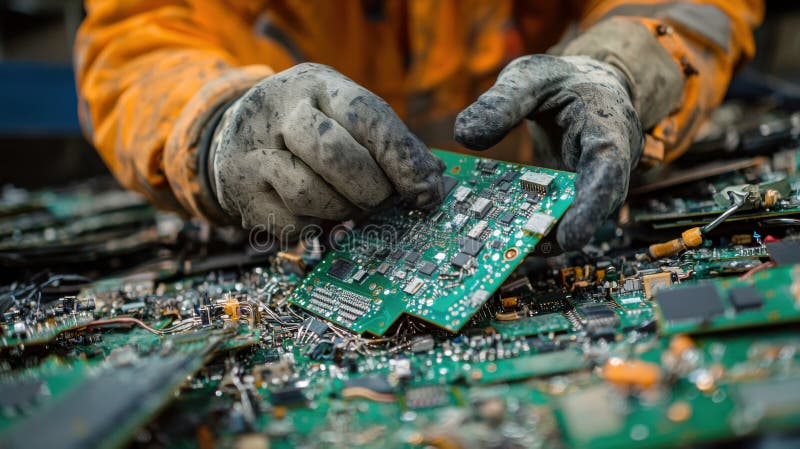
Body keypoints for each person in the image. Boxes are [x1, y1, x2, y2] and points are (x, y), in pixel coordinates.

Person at [74, 0, 763, 250]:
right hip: (305, 223)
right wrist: (218, 123)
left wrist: (616, 69)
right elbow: (141, 37)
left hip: (539, 196)